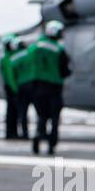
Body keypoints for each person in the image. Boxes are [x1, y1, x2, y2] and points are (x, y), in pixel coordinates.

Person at [30, 21, 69, 155]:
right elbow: (65, 71)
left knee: (42, 116)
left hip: (38, 87)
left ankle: (37, 136)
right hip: (54, 87)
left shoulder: (34, 47)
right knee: (54, 117)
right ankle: (51, 144)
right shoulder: (59, 49)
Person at [10, 34, 36, 141]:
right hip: (34, 86)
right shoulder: (31, 54)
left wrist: (14, 89)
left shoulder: (14, 58)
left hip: (22, 86)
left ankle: (25, 134)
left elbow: (12, 75)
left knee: (23, 112)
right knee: (40, 112)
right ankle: (41, 132)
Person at [0, 34, 24, 140]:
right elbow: (10, 76)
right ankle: (11, 133)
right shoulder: (7, 57)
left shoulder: (8, 55)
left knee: (13, 111)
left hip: (11, 86)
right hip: (11, 87)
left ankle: (12, 132)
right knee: (12, 112)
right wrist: (15, 89)